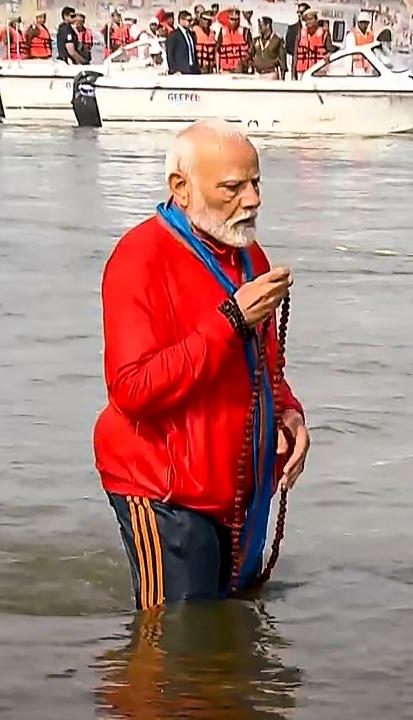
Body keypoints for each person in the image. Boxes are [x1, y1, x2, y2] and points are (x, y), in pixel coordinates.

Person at [94, 120, 311, 610]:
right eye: (233, 188)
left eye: (256, 183)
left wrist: (288, 413)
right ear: (181, 189)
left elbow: (262, 365)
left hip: (237, 488)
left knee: (231, 638)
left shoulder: (249, 254)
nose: (252, 200)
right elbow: (132, 391)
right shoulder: (138, 259)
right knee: (176, 641)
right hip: (161, 487)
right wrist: (231, 318)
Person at [291, 9, 330, 79]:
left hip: (318, 70)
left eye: (311, 19)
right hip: (303, 72)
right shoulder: (301, 33)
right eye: (307, 20)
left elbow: (330, 51)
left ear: (316, 20)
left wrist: (328, 55)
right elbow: (295, 54)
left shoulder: (324, 34)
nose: (308, 22)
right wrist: (293, 74)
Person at [215, 7, 251, 74]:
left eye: (236, 19)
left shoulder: (245, 31)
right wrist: (217, 69)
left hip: (241, 69)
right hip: (226, 70)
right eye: (232, 19)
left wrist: (250, 67)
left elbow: (251, 51)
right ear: (228, 19)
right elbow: (217, 50)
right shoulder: (223, 31)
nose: (234, 22)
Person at [165, 9, 200, 74]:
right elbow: (170, 54)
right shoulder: (173, 35)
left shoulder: (191, 34)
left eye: (191, 20)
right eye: (189, 20)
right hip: (180, 71)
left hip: (192, 69)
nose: (191, 22)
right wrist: (173, 70)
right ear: (181, 21)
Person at [284, 2, 310, 72]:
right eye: (298, 12)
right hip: (297, 64)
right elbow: (288, 47)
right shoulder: (292, 29)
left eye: (301, 12)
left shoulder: (316, 28)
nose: (299, 15)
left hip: (312, 65)